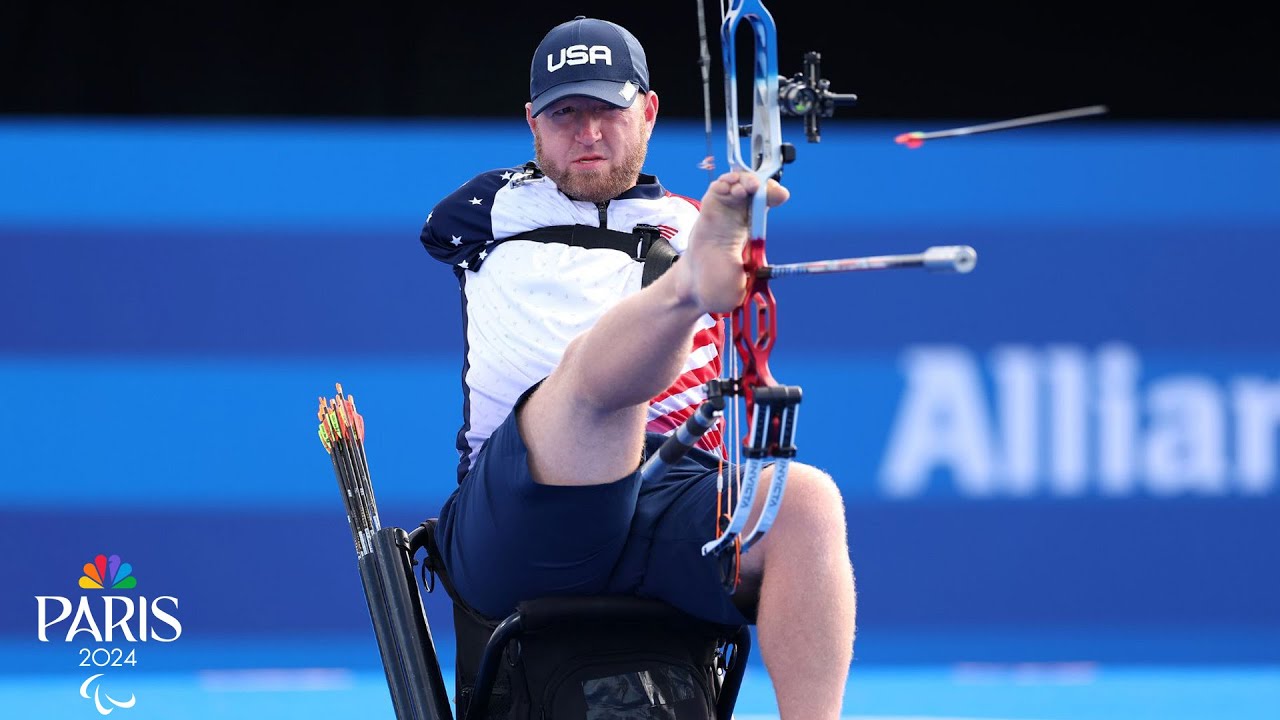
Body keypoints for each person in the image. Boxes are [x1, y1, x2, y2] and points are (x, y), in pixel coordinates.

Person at [420, 16, 856, 720]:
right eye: (565, 114)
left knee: (804, 502)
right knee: (597, 392)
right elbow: (439, 228)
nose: (588, 134)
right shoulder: (487, 211)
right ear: (531, 123)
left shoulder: (694, 220)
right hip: (525, 506)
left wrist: (731, 230)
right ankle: (679, 294)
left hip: (668, 496)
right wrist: (692, 282)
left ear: (648, 111)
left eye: (607, 109)